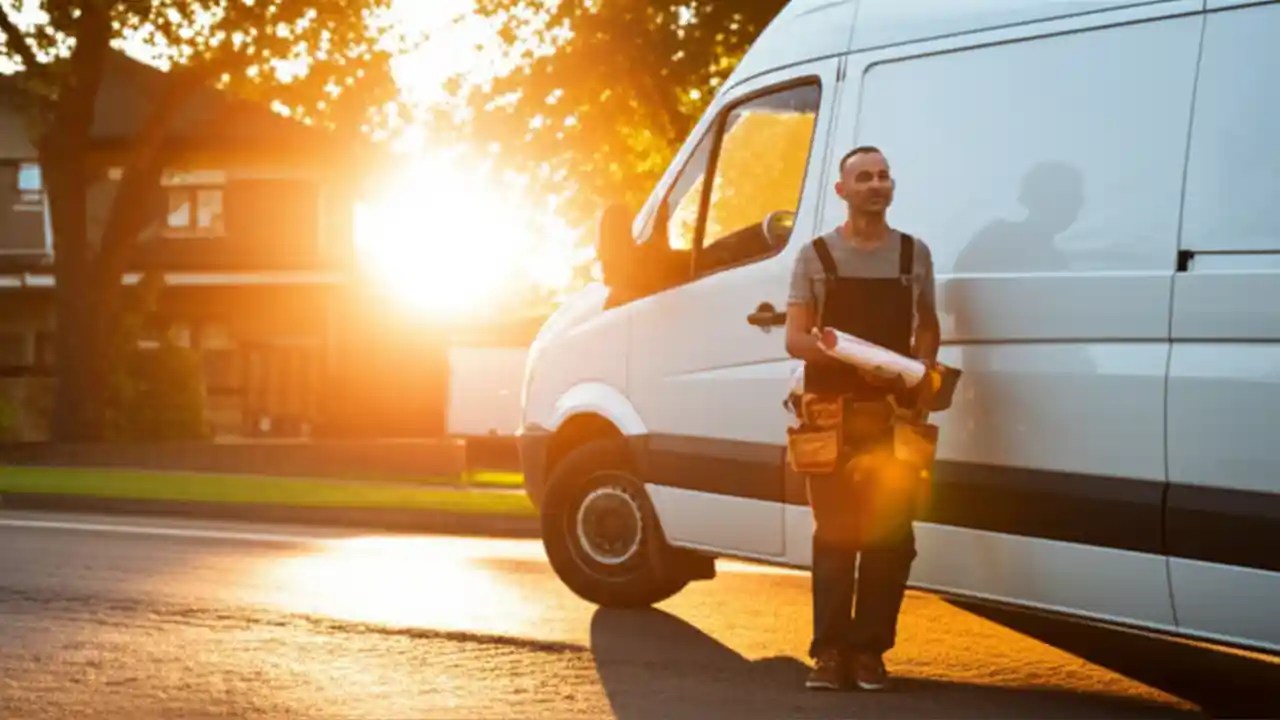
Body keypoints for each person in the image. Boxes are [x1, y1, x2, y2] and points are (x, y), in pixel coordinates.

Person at [785, 146, 940, 691]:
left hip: (892, 417)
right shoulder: (814, 256)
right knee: (835, 535)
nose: (877, 184)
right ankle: (829, 655)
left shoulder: (914, 254)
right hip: (831, 417)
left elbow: (928, 326)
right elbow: (795, 338)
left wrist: (920, 372)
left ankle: (870, 652)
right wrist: (853, 359)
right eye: (865, 177)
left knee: (891, 537)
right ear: (842, 191)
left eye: (884, 176)